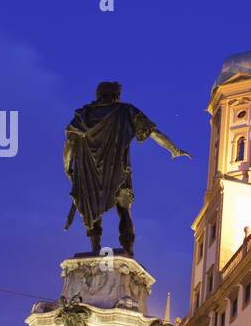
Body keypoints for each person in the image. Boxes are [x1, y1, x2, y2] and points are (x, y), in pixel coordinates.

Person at [64, 81, 190, 257]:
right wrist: (173, 149)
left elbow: (69, 146)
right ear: (116, 94)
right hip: (118, 171)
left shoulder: (82, 116)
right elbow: (153, 132)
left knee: (91, 208)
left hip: (88, 172)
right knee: (123, 210)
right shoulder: (125, 111)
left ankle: (95, 248)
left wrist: (68, 168)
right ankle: (127, 248)